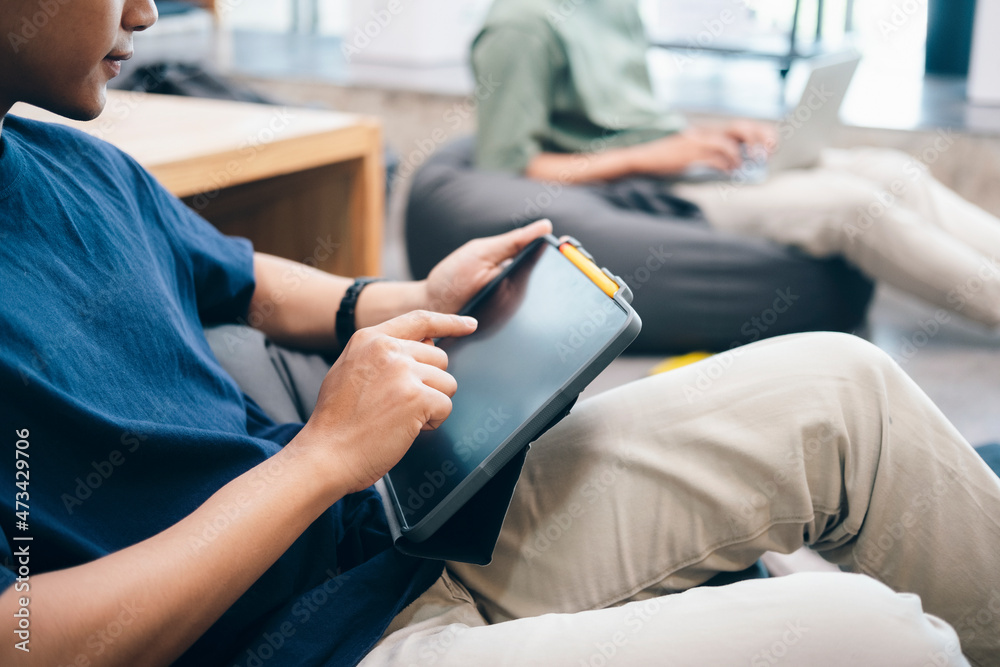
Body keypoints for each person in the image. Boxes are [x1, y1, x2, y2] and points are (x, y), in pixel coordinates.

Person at [1, 0, 999, 666]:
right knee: (872, 638)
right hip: (305, 645)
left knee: (839, 388)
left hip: (384, 540)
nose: (145, 10)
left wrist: (401, 295)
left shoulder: (74, 164)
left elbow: (250, 282)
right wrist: (321, 458)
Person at [472, 0, 1000, 329]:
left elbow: (633, 117)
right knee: (853, 206)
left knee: (891, 172)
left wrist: (703, 138)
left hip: (680, 163)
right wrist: (652, 155)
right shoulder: (519, 27)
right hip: (644, 192)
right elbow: (505, 167)